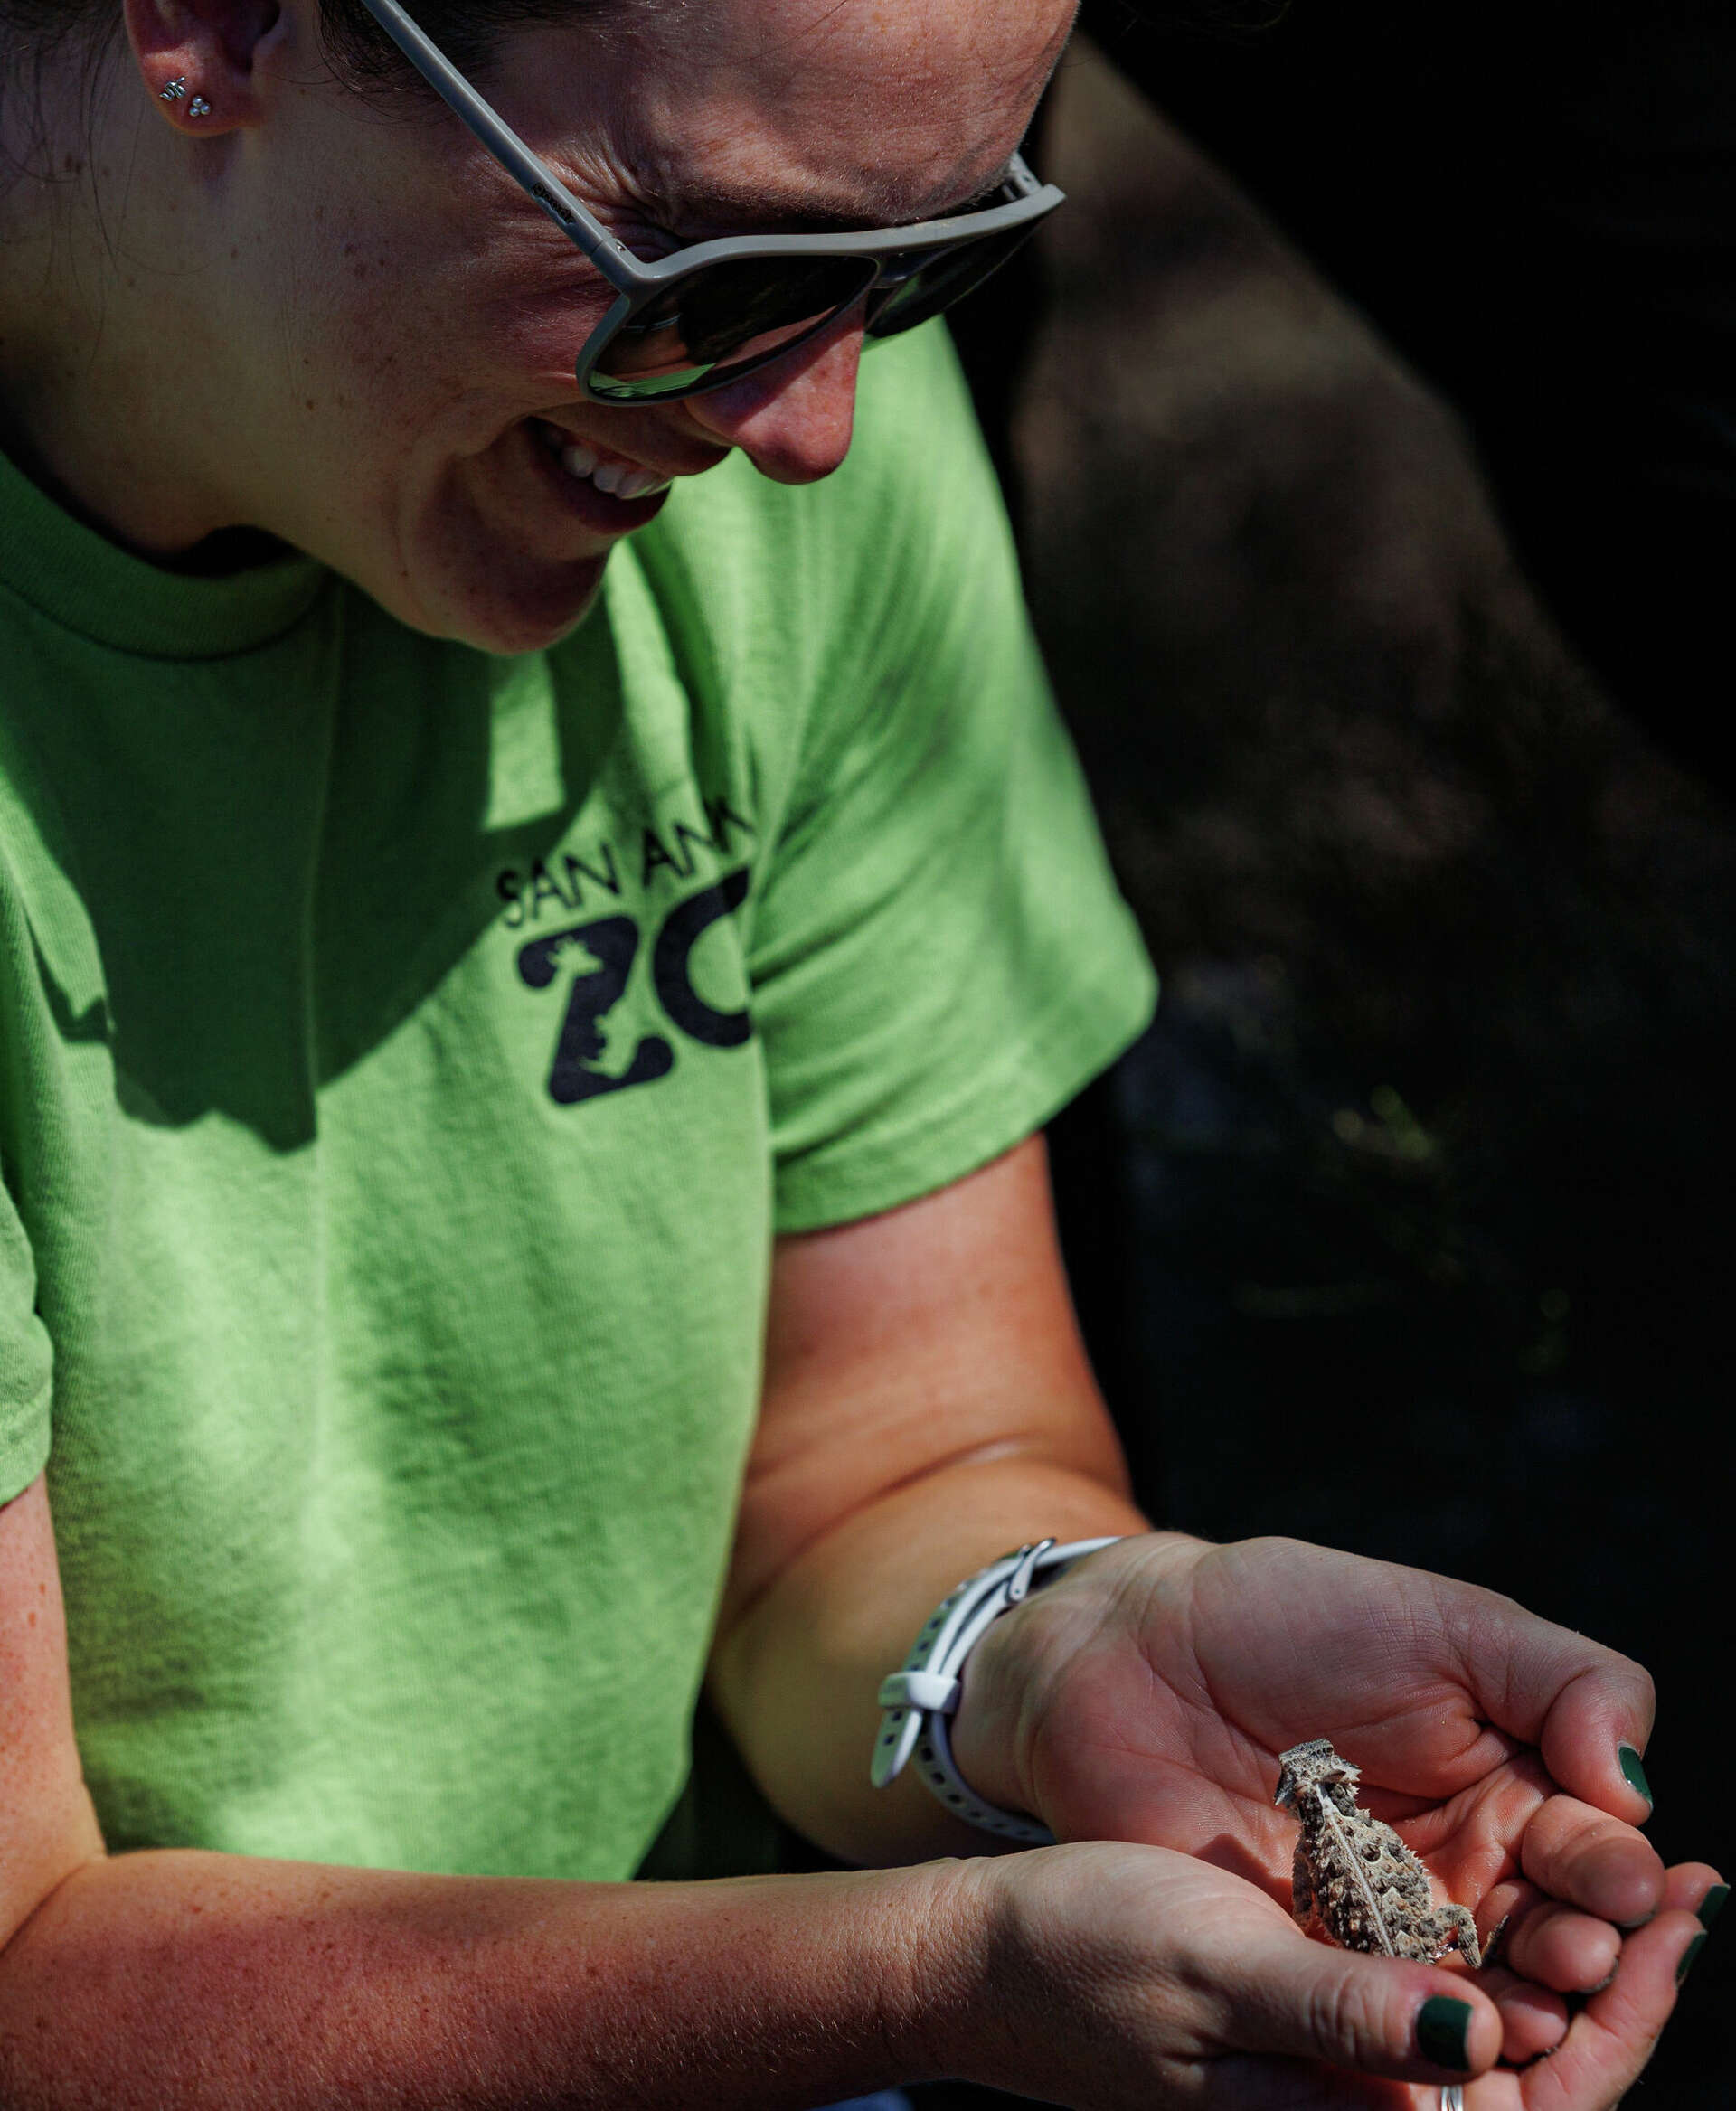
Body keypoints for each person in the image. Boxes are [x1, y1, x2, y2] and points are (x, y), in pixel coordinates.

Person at [0, 2, 1719, 2106]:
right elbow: (25, 1977)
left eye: (925, 265)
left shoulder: (778, 464)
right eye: (709, 269)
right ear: (212, 27)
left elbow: (881, 1460)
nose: (811, 421)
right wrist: (931, 1975)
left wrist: (1065, 1646)